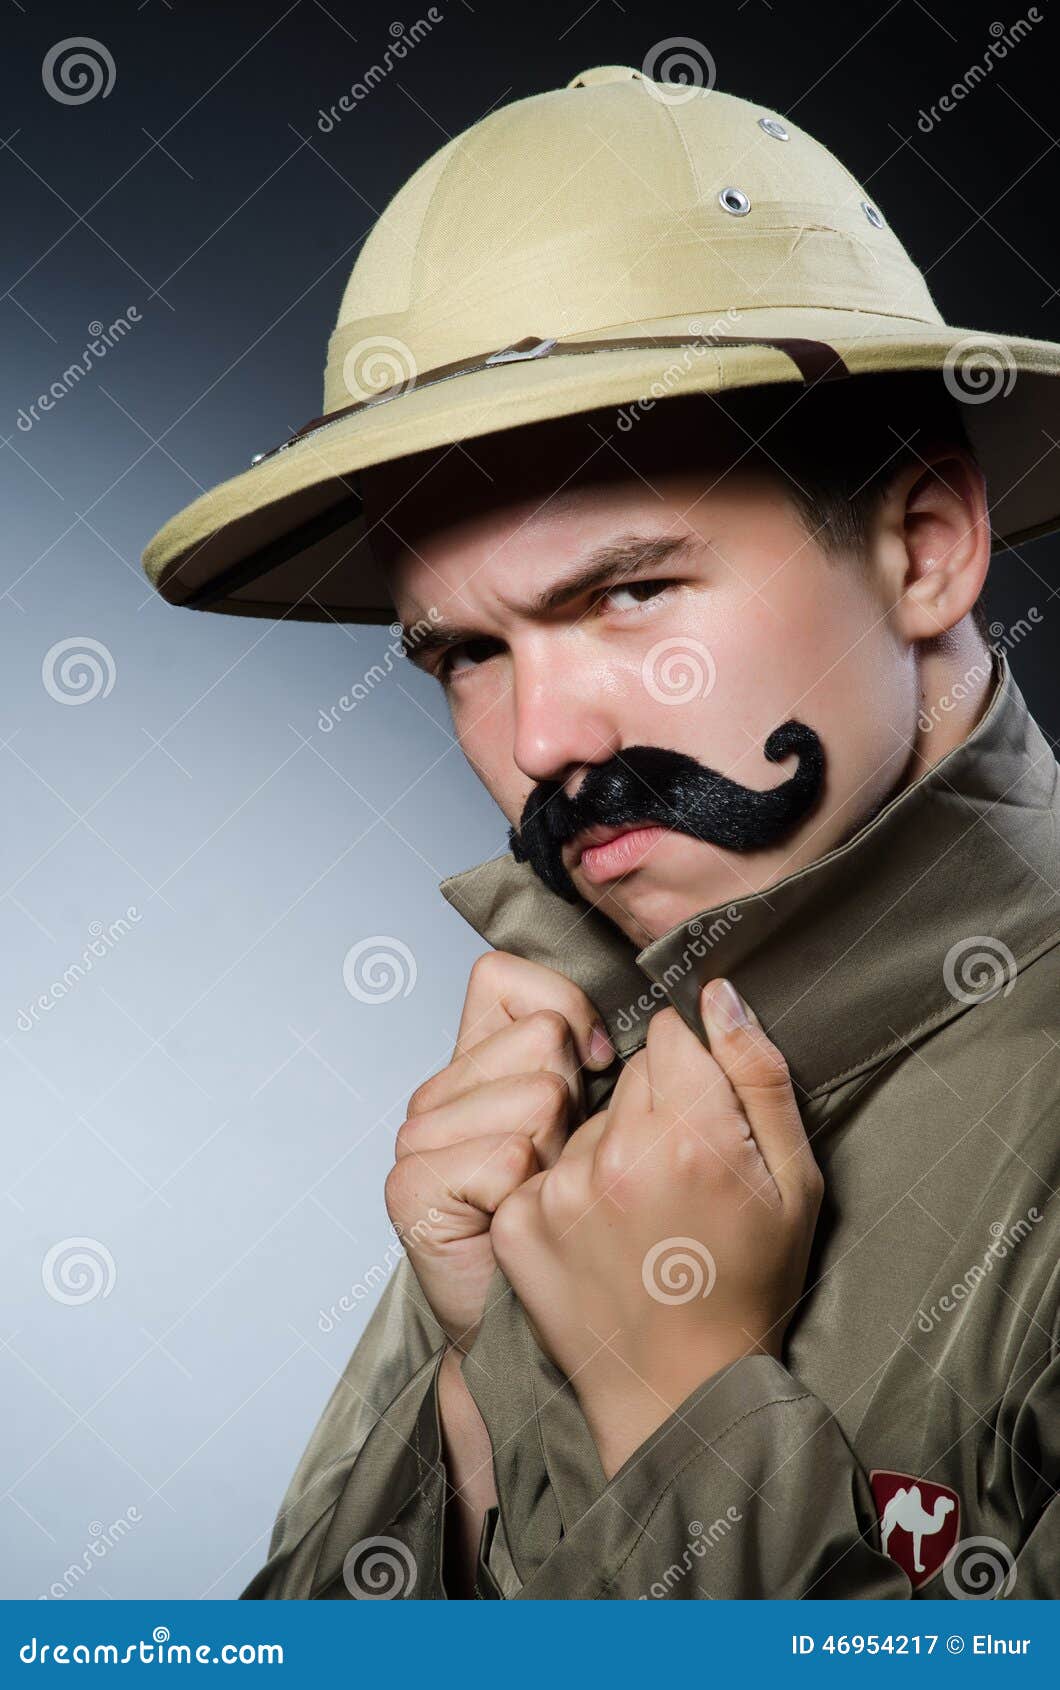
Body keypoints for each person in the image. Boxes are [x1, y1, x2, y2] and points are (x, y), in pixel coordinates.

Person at [141, 65, 1060, 1600]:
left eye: (627, 592)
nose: (545, 739)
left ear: (926, 547)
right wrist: (481, 1403)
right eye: (468, 654)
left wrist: (674, 1405)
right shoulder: (554, 1098)